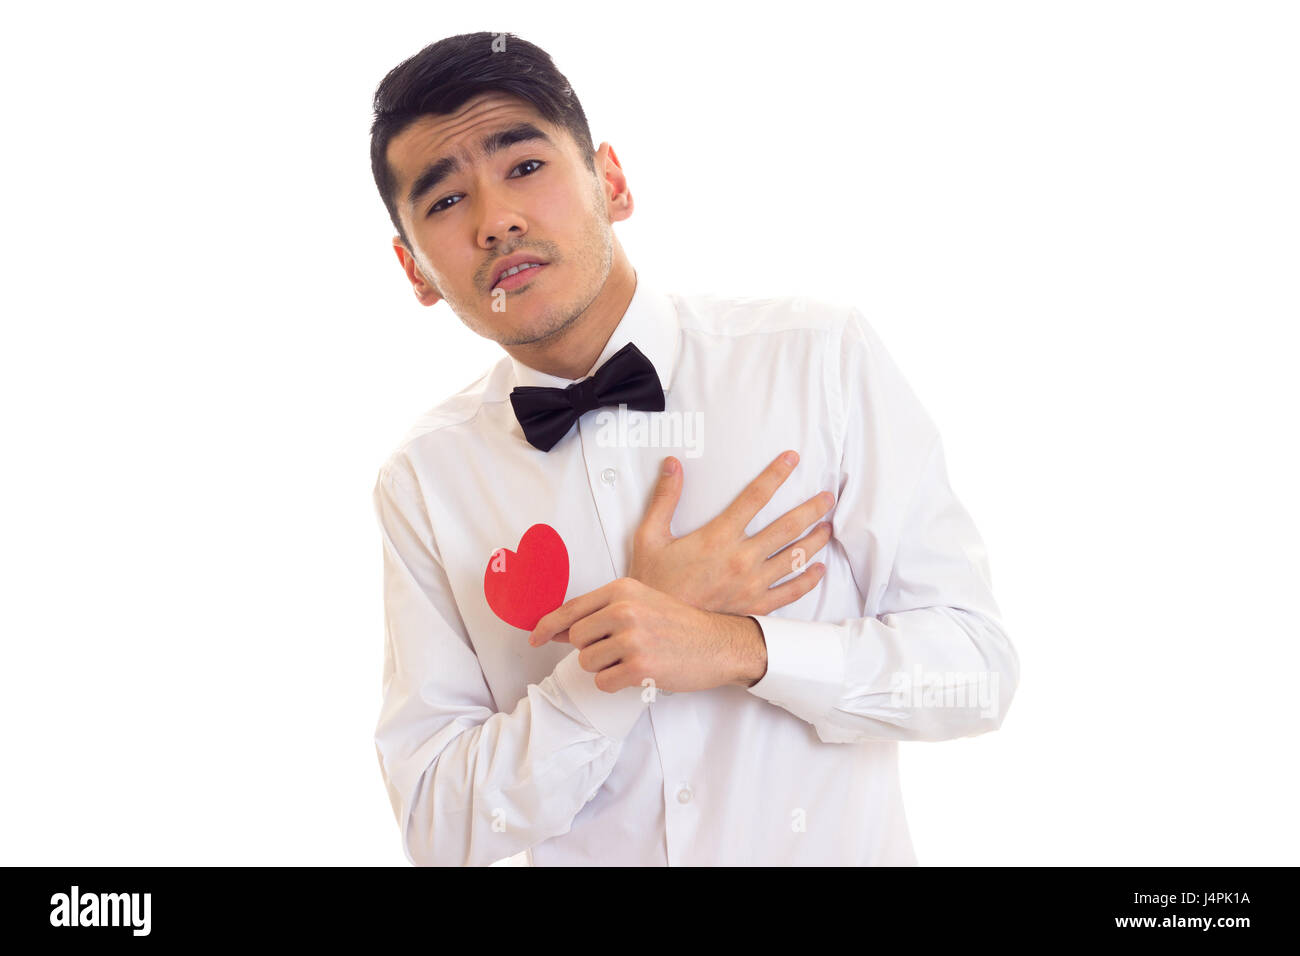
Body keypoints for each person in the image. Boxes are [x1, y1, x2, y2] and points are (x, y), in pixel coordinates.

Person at [368, 31, 1019, 866]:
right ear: (415, 269)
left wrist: (739, 647)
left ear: (611, 181)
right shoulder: (426, 483)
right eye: (446, 202)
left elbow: (975, 675)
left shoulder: (817, 358)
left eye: (525, 166)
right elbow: (437, 823)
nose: (498, 220)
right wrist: (612, 666)